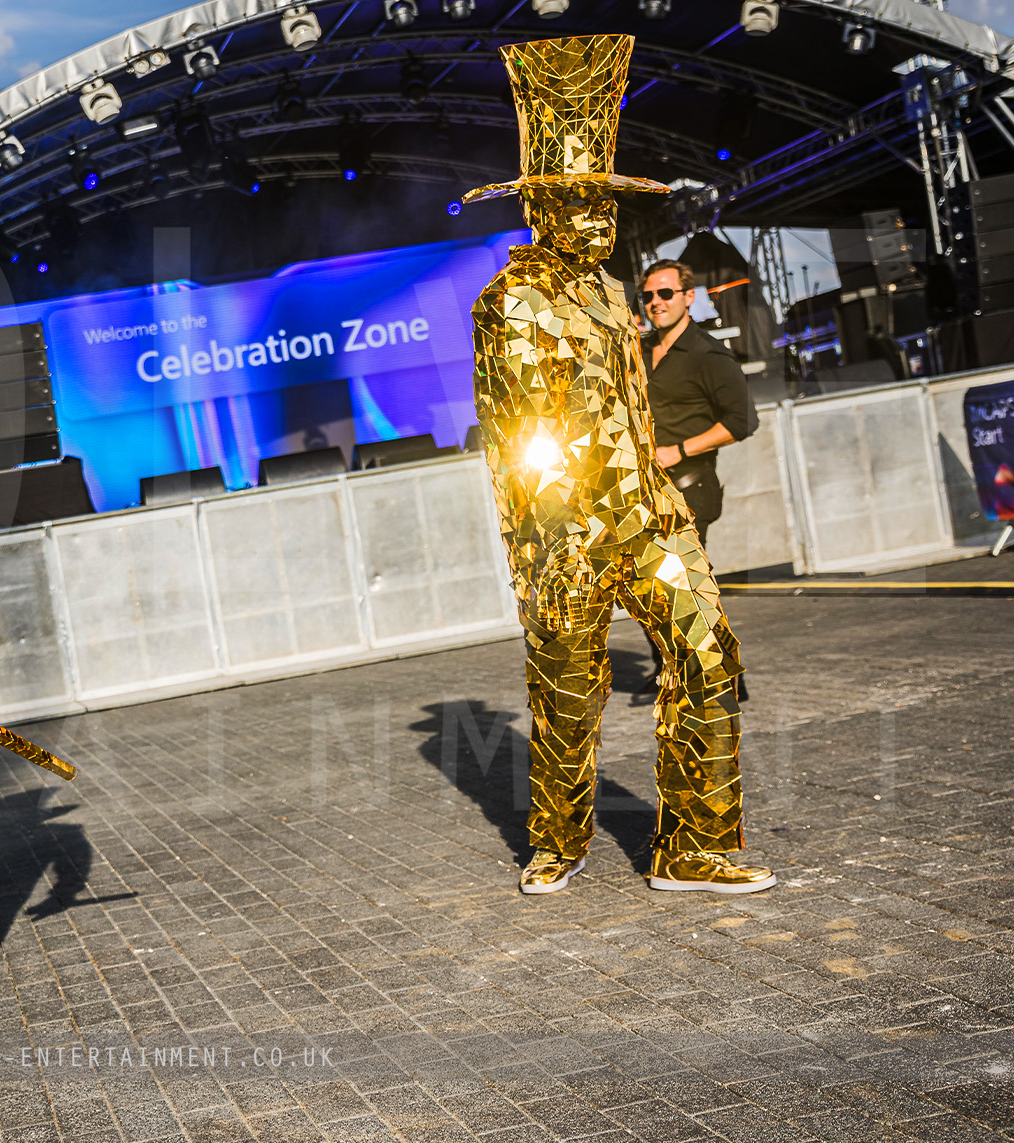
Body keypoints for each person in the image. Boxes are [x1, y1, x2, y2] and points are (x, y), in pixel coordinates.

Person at [463, 34, 774, 896]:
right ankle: (557, 840)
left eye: (605, 200)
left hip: (646, 516)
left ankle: (694, 846)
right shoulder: (510, 304)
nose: (600, 217)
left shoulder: (609, 294)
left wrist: (662, 494)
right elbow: (519, 437)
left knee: (709, 649)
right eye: (580, 201)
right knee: (567, 693)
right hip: (567, 536)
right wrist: (553, 544)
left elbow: (630, 411)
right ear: (543, 209)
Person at [638, 259, 756, 703]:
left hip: (690, 486)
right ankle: (671, 668)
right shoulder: (643, 350)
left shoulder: (708, 354)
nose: (656, 302)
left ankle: (725, 680)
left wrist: (679, 449)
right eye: (649, 295)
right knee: (651, 586)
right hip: (648, 491)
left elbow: (742, 421)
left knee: (685, 585)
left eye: (665, 293)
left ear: (688, 297)